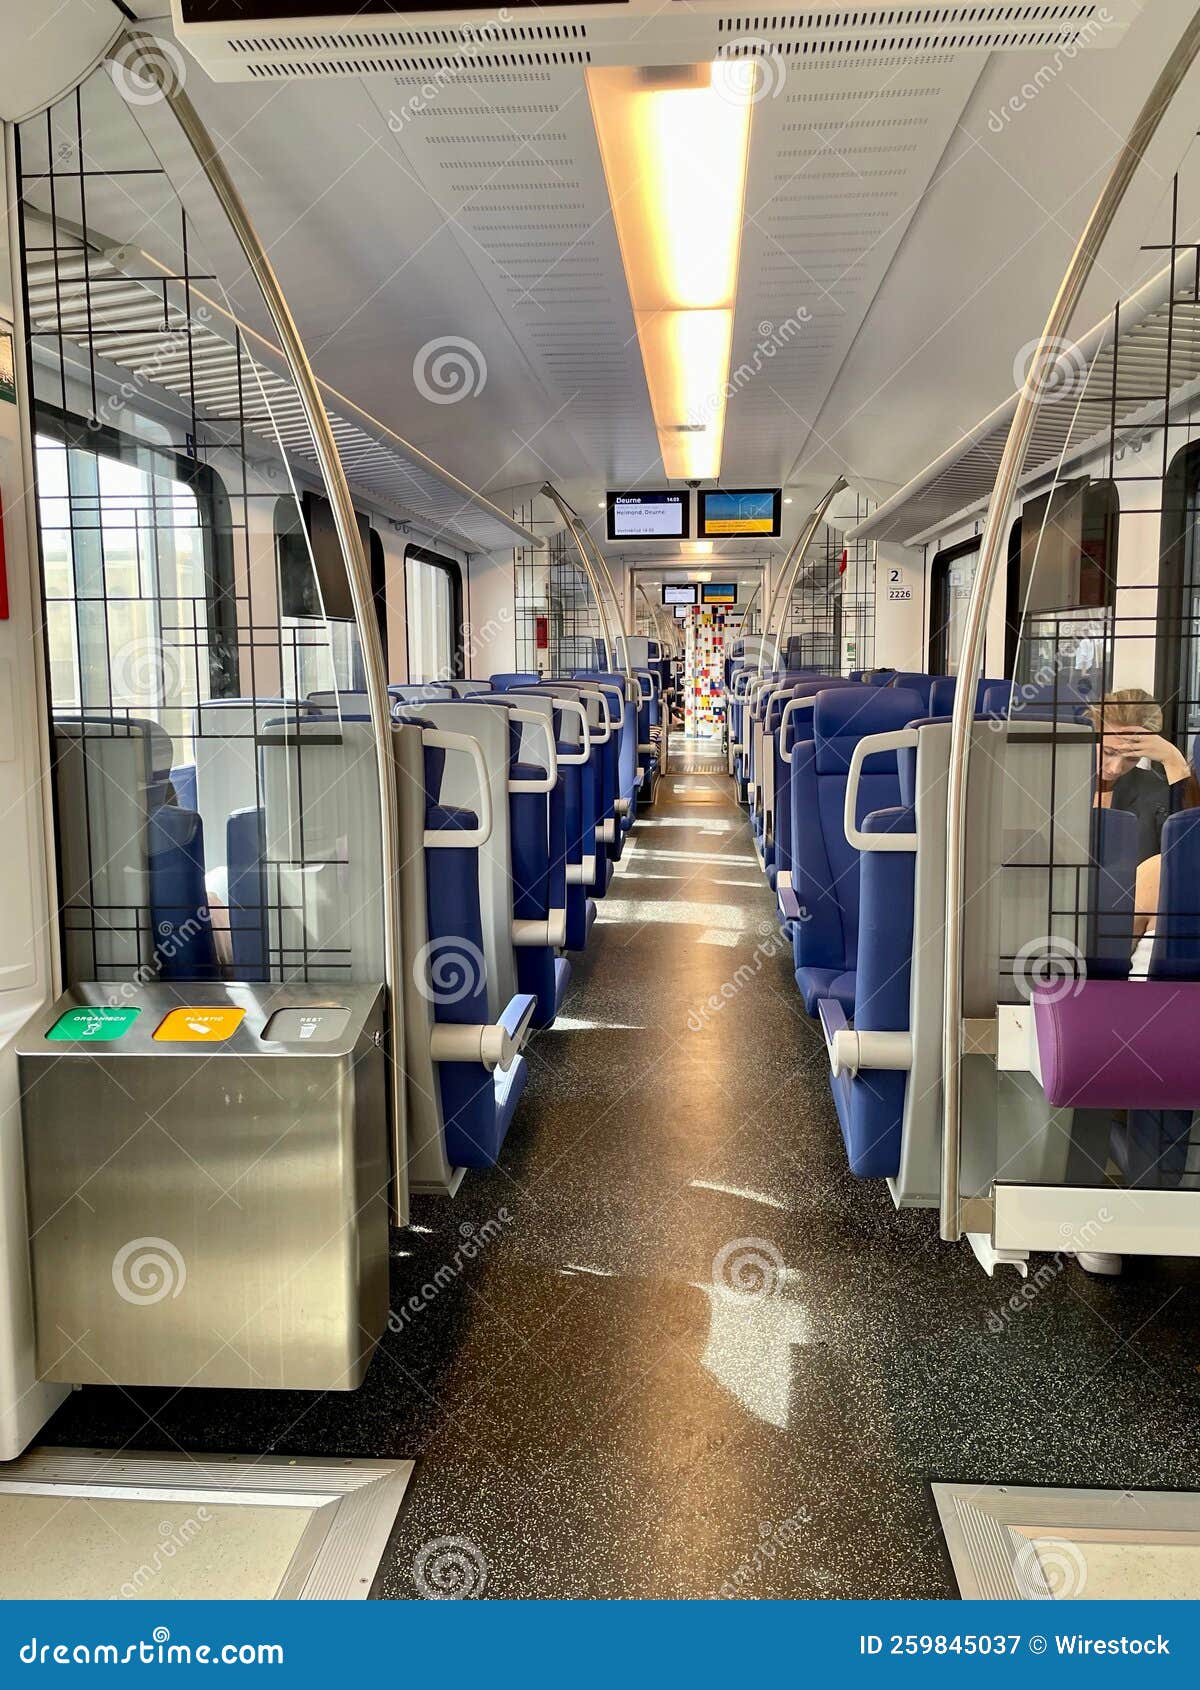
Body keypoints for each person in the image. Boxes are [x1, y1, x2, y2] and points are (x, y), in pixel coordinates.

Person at [1089, 688, 1197, 862]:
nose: (1115, 769)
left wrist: (1174, 760)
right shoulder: (1052, 781)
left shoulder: (1157, 793)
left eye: (1132, 758)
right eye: (1109, 752)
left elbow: (1186, 855)